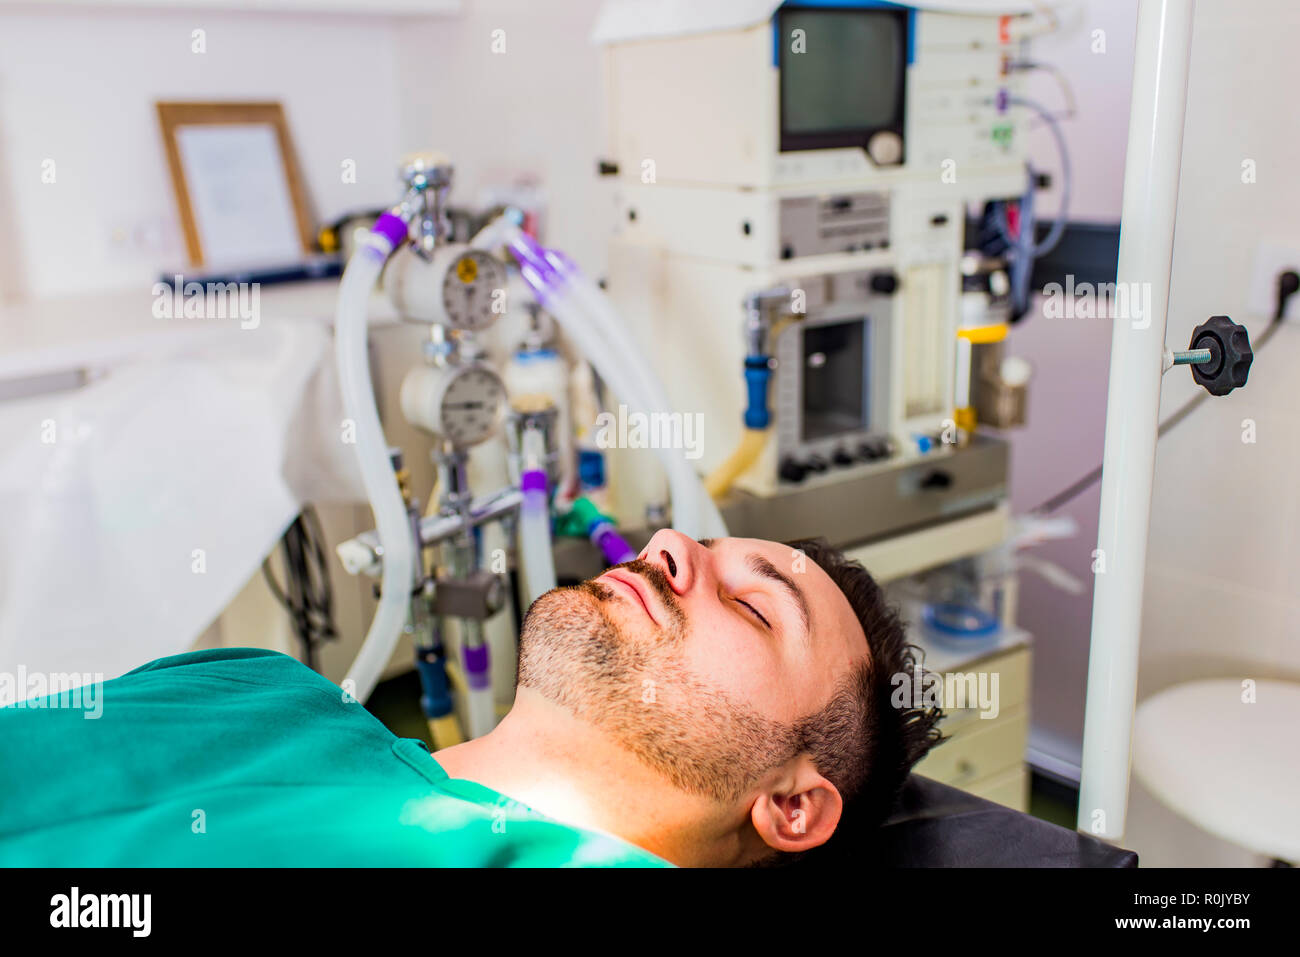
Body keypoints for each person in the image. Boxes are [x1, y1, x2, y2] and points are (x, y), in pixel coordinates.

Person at [0, 533, 942, 868]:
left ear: (790, 804)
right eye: (693, 540)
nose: (667, 543)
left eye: (753, 603)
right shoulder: (258, 682)